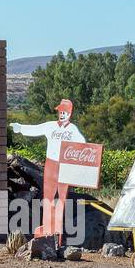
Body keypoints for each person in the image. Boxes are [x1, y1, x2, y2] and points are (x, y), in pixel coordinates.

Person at [11, 100, 86, 239]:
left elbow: (83, 144)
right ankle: (46, 227)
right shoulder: (50, 126)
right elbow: (36, 129)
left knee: (61, 198)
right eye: (60, 112)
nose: (62, 114)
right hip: (51, 164)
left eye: (65, 112)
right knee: (48, 197)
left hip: (64, 164)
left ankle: (57, 229)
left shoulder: (72, 129)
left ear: (70, 113)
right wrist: (20, 128)